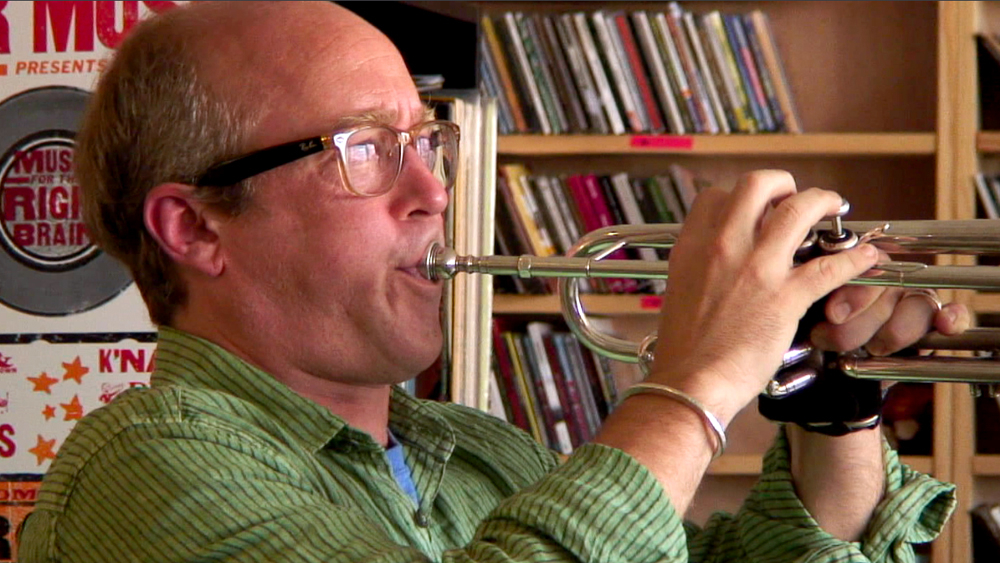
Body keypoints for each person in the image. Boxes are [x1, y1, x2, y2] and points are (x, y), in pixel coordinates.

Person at [18, 2, 970, 562]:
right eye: (364, 150)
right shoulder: (137, 468)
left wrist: (831, 408)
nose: (434, 191)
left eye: (429, 142)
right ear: (196, 227)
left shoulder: (481, 453)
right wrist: (695, 384)